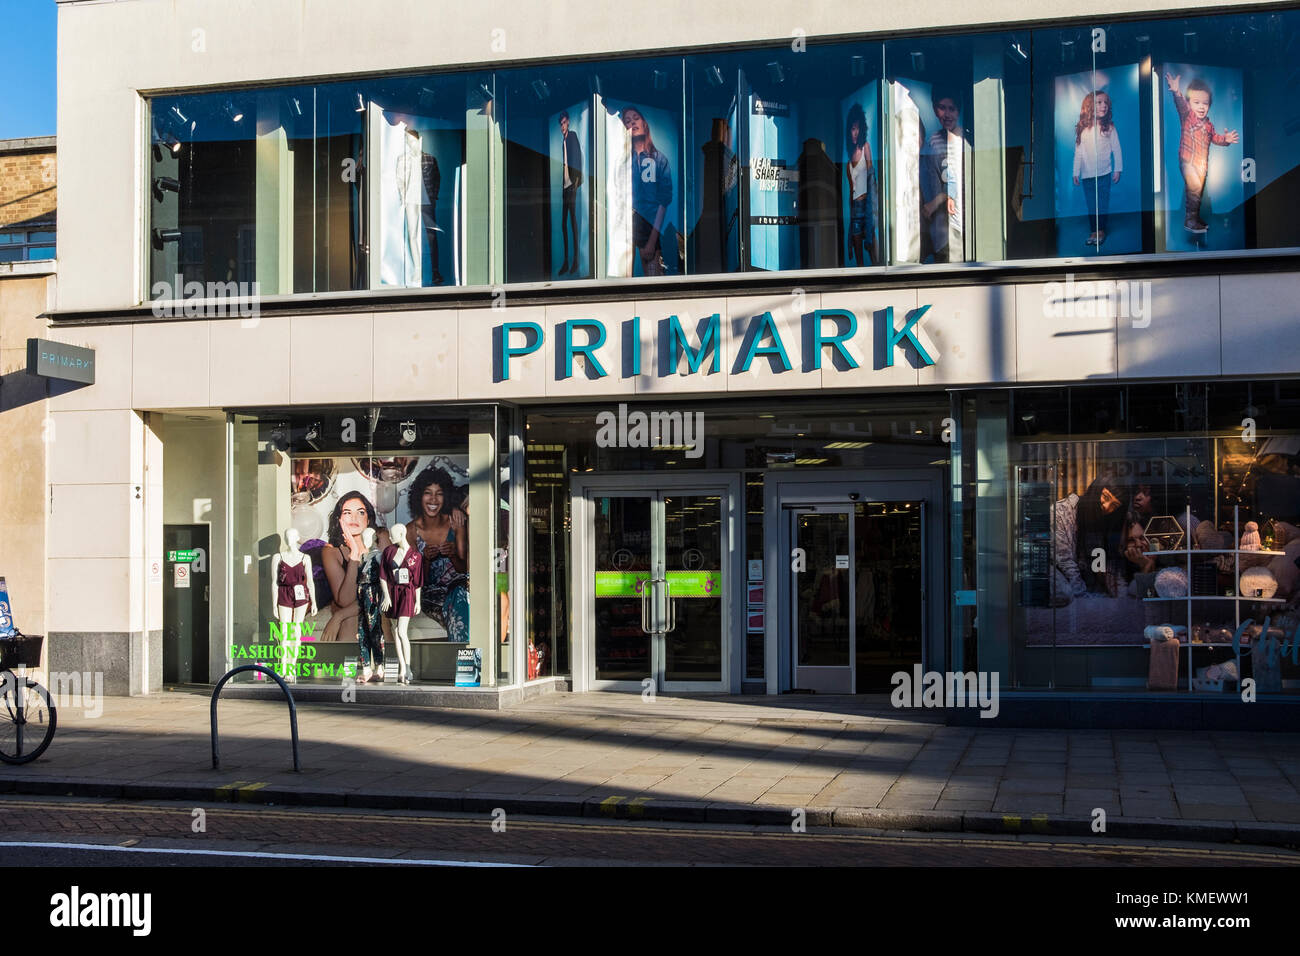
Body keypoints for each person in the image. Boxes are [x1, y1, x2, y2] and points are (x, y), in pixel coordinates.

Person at [1165, 72, 1239, 235]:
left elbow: (1216, 138)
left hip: (1201, 165)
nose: (1201, 106)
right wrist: (1177, 92)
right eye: (1196, 102)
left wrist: (1226, 139)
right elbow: (1180, 104)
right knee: (1194, 188)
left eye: (1205, 103)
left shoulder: (1209, 125)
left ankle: (1195, 218)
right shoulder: (1187, 115)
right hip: (1187, 161)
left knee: (1197, 193)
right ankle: (1190, 221)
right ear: (1189, 103)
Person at [408, 466, 470, 642]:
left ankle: (463, 658)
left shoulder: (455, 522)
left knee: (459, 595)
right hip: (430, 595)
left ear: (446, 497)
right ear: (419, 496)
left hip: (458, 589)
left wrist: (452, 555)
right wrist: (425, 560)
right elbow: (416, 581)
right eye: (428, 493)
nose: (433, 499)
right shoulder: (411, 531)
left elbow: (464, 569)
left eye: (439, 493)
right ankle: (464, 658)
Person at [319, 491, 388, 643]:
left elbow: (382, 593)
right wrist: (354, 555)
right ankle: (348, 665)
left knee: (370, 614)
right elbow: (344, 600)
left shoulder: (381, 539)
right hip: (350, 605)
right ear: (339, 519)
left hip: (378, 602)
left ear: (368, 519)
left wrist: (340, 616)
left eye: (361, 512)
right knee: (351, 621)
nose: (354, 518)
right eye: (347, 513)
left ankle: (382, 665)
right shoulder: (331, 551)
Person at [1051, 475, 1128, 603]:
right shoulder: (1059, 513)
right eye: (1106, 497)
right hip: (1060, 576)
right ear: (1096, 491)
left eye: (1114, 505)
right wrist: (1086, 603)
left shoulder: (1102, 522)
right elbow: (1066, 563)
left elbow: (1100, 566)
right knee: (1063, 592)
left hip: (1085, 585)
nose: (1107, 507)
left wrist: (1121, 600)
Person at [622, 106, 673, 277]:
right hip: (625, 227)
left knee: (655, 283)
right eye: (627, 121)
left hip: (648, 228)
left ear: (644, 123)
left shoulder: (659, 159)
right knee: (621, 283)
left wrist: (652, 241)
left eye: (635, 118)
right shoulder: (620, 162)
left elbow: (663, 202)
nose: (632, 122)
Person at [921, 90, 967, 262]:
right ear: (934, 109)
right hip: (944, 227)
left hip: (967, 222)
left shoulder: (968, 140)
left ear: (958, 111)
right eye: (942, 108)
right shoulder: (934, 141)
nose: (946, 114)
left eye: (952, 109)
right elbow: (933, 181)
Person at [1072, 90, 1122, 248]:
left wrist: (1117, 169)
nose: (1104, 105)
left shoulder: (1109, 128)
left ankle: (1101, 231)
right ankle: (1093, 231)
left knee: (1102, 202)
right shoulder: (1083, 130)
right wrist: (1076, 172)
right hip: (1087, 176)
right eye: (1099, 102)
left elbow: (1117, 149)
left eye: (1106, 103)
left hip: (1104, 174)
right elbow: (1078, 152)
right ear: (1089, 106)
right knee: (1091, 204)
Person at [844, 102, 880, 267]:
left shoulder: (866, 147)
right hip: (855, 208)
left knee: (872, 250)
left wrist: (874, 206)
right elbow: (851, 192)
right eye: (852, 128)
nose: (855, 132)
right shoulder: (848, 161)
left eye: (858, 128)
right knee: (859, 258)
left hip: (866, 205)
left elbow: (872, 177)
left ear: (862, 129)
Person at [558, 110, 584, 276]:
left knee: (573, 223)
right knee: (563, 224)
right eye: (560, 124)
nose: (562, 127)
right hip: (565, 186)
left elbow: (578, 159)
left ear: (568, 123)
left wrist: (575, 182)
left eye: (564, 123)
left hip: (572, 185)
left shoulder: (572, 136)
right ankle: (566, 261)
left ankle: (575, 261)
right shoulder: (563, 141)